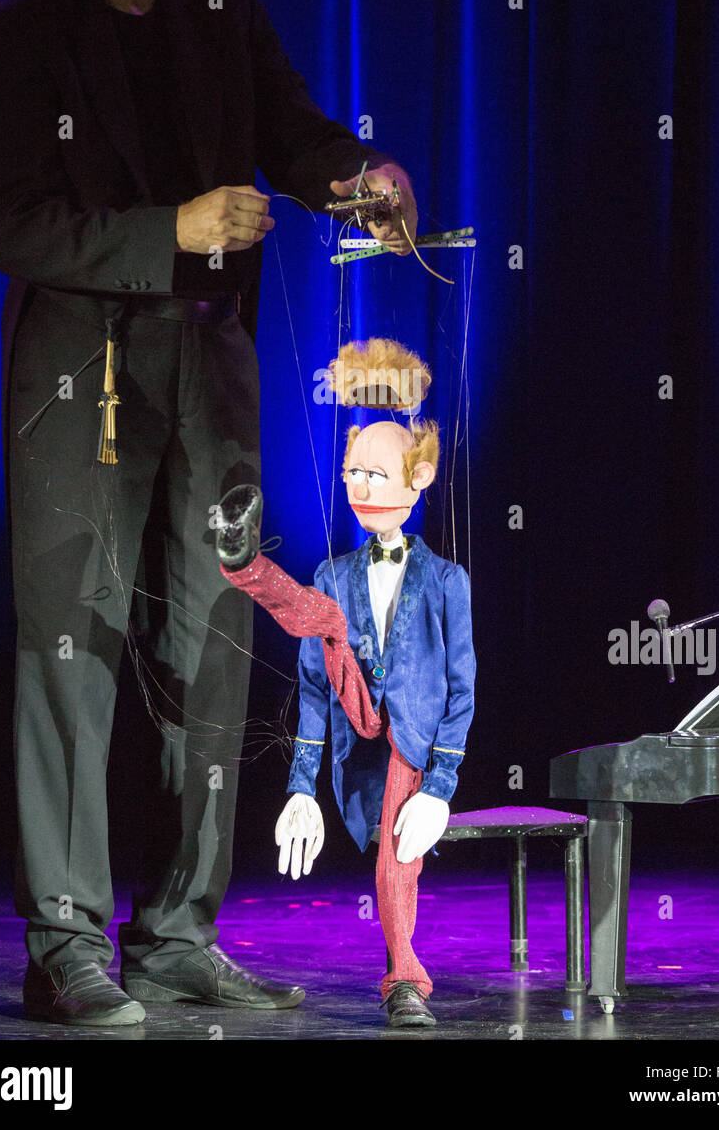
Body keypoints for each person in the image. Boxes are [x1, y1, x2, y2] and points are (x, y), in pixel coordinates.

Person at [0, 0, 417, 1027]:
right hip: (79, 387)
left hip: (206, 381)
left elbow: (294, 132)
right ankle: (63, 937)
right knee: (72, 649)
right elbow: (12, 221)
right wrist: (168, 231)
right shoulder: (24, 33)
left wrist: (355, 179)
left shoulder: (222, 13)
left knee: (211, 649)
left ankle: (179, 929)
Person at [214, 340, 476, 1027]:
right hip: (351, 716)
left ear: (417, 479)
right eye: (351, 471)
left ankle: (404, 980)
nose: (358, 485)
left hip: (409, 739)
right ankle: (243, 565)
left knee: (397, 861)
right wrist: (300, 786)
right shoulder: (333, 573)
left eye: (374, 473)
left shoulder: (448, 581)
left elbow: (461, 688)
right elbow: (311, 689)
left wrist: (440, 789)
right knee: (325, 618)